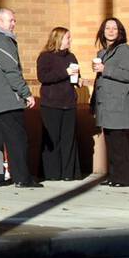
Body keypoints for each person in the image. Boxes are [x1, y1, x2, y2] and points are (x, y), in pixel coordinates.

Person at [0, 7, 41, 188]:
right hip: (6, 101)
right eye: (11, 20)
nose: (14, 24)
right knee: (17, 140)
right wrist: (26, 93)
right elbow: (11, 70)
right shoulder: (1, 40)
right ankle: (22, 178)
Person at [91, 16, 129, 187]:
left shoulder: (124, 50)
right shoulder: (102, 52)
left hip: (117, 104)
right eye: (107, 28)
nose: (111, 31)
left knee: (119, 142)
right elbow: (99, 81)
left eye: (114, 28)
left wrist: (106, 69)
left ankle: (126, 178)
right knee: (110, 142)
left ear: (120, 32)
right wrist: (93, 103)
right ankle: (114, 176)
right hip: (105, 104)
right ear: (102, 32)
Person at [36, 27, 82, 181]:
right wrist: (65, 73)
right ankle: (52, 173)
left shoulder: (71, 57)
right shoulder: (45, 57)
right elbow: (43, 77)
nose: (70, 41)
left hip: (69, 103)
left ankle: (68, 173)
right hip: (51, 104)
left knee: (68, 139)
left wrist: (79, 81)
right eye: (68, 38)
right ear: (58, 39)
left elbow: (75, 77)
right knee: (52, 139)